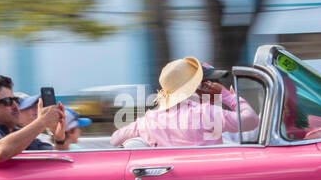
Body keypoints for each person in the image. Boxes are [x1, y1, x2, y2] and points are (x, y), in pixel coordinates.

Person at [110, 56, 258, 148]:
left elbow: (115, 139)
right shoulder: (207, 114)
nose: (215, 85)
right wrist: (226, 96)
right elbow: (251, 121)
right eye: (209, 83)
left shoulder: (147, 121)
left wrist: (146, 137)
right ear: (197, 88)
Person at [0, 75, 66, 161]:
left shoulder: (17, 133)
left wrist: (59, 138)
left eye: (16, 100)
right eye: (8, 101)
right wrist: (42, 122)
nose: (15, 105)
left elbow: (55, 160)